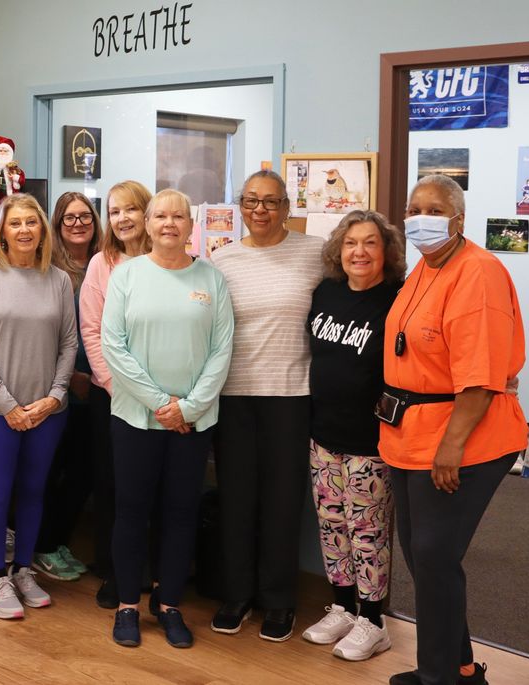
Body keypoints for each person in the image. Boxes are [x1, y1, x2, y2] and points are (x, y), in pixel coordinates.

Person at [383, 175, 526, 685]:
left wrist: (451, 448)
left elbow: (482, 378)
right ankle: (461, 668)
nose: (421, 217)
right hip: (410, 433)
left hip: (463, 437)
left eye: (435, 209)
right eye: (414, 207)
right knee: (425, 558)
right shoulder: (424, 267)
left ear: (459, 219)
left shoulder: (478, 273)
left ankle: (440, 676)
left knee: (436, 556)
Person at [101, 189, 233, 649]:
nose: (169, 223)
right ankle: (126, 607)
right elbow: (113, 346)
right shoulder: (127, 276)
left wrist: (189, 408)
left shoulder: (211, 279)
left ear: (191, 225)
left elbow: (222, 350)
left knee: (181, 514)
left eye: (179, 216)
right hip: (136, 419)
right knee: (132, 513)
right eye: (161, 215)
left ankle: (170, 602)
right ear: (149, 223)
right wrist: (162, 403)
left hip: (193, 424)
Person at [207, 169, 324, 642]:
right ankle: (236, 595)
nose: (260, 210)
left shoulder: (314, 253)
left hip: (292, 396)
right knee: (236, 500)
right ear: (239, 205)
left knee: (282, 504)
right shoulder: (222, 260)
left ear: (287, 208)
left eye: (271, 202)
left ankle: (278, 600)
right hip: (233, 397)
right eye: (252, 200)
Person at [0, 193, 78, 620]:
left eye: (32, 222)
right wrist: (9, 404)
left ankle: (24, 569)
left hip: (47, 412)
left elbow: (69, 343)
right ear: (3, 232)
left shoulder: (59, 280)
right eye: (16, 223)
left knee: (34, 492)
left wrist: (54, 396)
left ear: (42, 230)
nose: (25, 230)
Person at [301, 210, 405, 661]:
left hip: (371, 442)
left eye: (369, 244)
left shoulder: (396, 300)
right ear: (338, 250)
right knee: (333, 527)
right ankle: (342, 607)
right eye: (350, 244)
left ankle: (373, 620)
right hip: (324, 434)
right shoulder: (325, 293)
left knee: (368, 532)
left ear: (386, 253)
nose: (358, 252)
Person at [79, 180, 152, 608]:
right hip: (112, 396)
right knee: (113, 485)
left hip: (160, 397)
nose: (122, 218)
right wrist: (112, 383)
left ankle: (151, 570)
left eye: (130, 209)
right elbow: (91, 330)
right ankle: (113, 570)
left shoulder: (171, 261)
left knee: (151, 485)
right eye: (114, 211)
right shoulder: (100, 265)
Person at [34, 191, 102, 581]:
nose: (78, 224)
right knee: (54, 470)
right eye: (69, 218)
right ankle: (45, 544)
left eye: (85, 217)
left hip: (100, 384)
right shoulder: (49, 270)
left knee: (83, 472)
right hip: (59, 386)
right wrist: (68, 378)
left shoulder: (108, 263)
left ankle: (57, 541)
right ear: (57, 226)